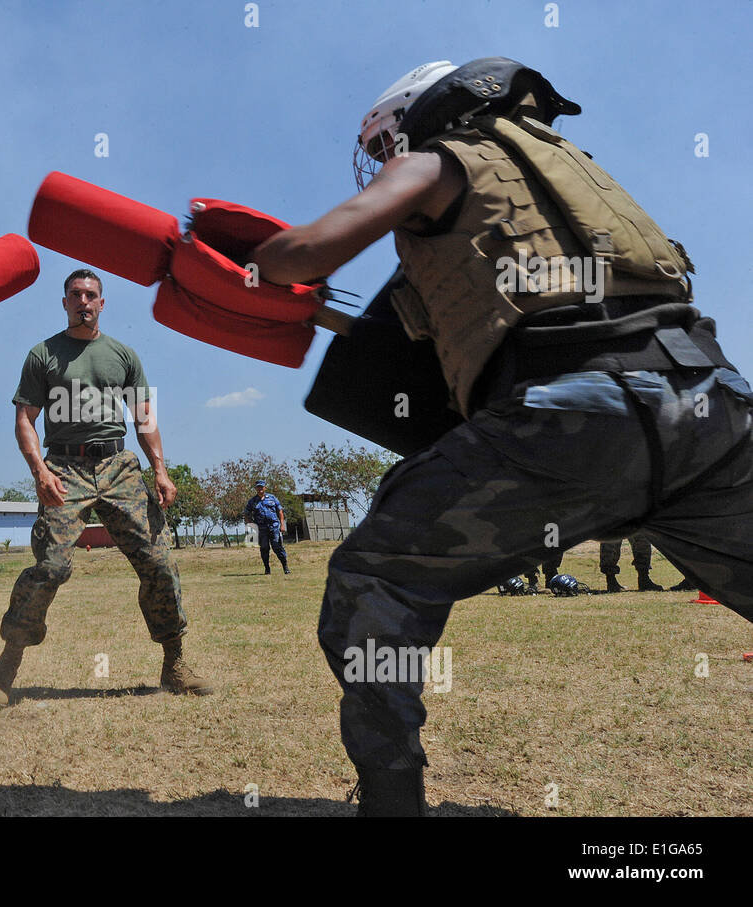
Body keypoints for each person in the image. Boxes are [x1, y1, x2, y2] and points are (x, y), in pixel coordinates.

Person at [252, 58, 752, 815]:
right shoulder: (574, 176)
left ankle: (392, 803)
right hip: (708, 399)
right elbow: (448, 327)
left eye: (386, 141)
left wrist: (256, 263)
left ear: (423, 118)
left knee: (373, 577)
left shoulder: (438, 159)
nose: (385, 159)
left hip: (574, 413)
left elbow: (306, 253)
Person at [0, 268, 212, 709]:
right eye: (75, 294)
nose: (84, 301)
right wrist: (39, 472)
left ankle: (175, 663)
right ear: (64, 302)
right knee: (51, 566)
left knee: (158, 560)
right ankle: (6, 665)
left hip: (119, 464)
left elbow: (144, 419)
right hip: (64, 466)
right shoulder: (42, 355)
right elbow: (25, 419)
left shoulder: (123, 355)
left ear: (102, 303)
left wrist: (160, 469)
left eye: (91, 295)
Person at [244, 480, 290, 574]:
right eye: (258, 487)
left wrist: (282, 524)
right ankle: (267, 569)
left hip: (274, 527)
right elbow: (246, 514)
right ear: (256, 489)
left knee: (277, 547)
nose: (260, 489)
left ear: (265, 488)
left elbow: (280, 511)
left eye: (261, 487)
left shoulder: (272, 498)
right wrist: (251, 526)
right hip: (261, 529)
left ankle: (285, 567)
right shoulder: (252, 501)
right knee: (264, 548)